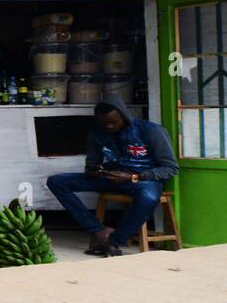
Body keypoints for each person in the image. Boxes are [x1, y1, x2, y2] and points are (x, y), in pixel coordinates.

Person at [46, 98, 179, 258]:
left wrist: (134, 176)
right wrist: (93, 170)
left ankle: (115, 242)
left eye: (113, 122)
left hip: (143, 180)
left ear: (124, 116)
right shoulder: (97, 132)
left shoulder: (150, 131)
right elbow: (92, 163)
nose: (109, 127)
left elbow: (171, 168)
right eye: (104, 123)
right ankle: (98, 230)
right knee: (57, 182)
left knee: (149, 197)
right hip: (111, 177)